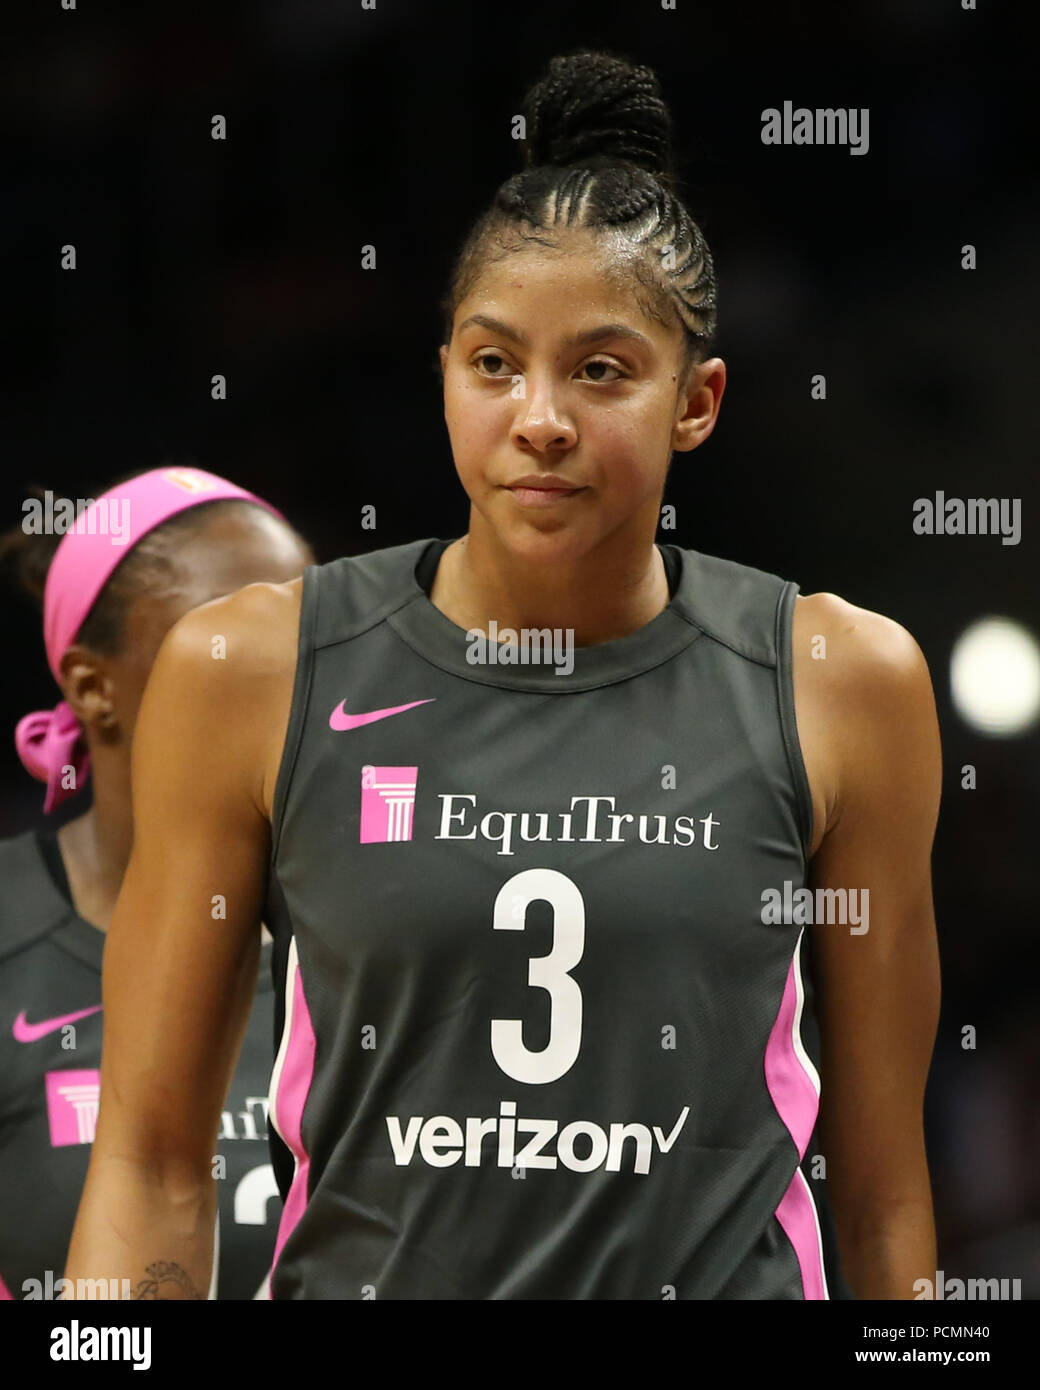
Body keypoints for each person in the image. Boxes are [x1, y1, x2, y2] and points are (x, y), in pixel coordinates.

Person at [66, 50, 942, 1300]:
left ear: (695, 402)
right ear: (442, 379)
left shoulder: (840, 678)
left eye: (599, 369)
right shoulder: (252, 668)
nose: (539, 417)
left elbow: (884, 1194)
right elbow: (151, 1164)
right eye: (492, 363)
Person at [0, 466, 313, 1300]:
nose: (286, 684)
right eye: (224, 647)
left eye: (305, 643)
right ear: (93, 688)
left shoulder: (378, 938)